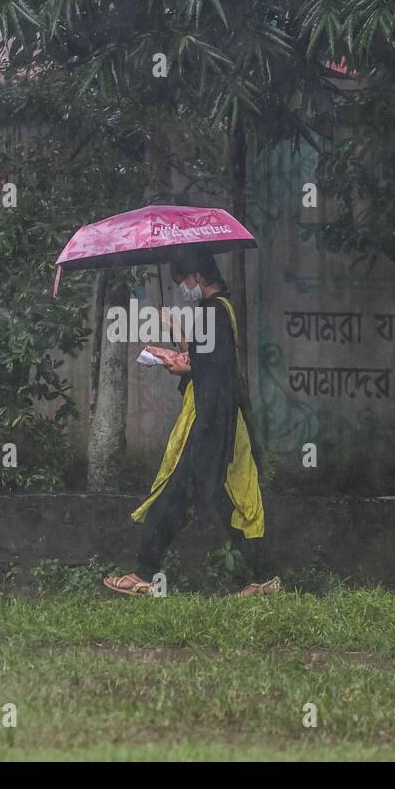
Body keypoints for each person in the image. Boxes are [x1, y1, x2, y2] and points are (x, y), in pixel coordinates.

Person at [103, 249, 279, 598]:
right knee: (220, 498)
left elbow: (210, 371)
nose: (183, 288)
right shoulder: (220, 309)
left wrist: (179, 365)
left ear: (197, 276)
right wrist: (178, 339)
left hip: (210, 421)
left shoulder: (212, 313)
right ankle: (264, 577)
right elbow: (209, 362)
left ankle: (143, 574)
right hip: (221, 419)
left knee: (180, 495)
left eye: (182, 281)